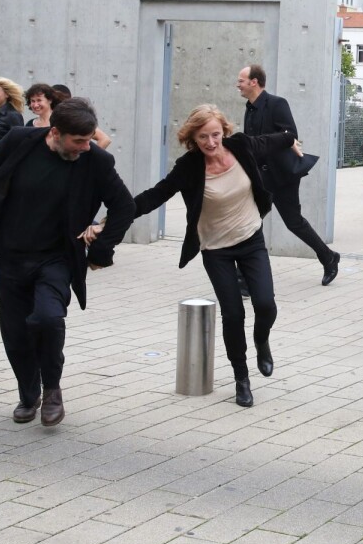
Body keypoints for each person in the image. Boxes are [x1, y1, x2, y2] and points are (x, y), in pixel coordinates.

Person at [0, 98, 135, 427]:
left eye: (89, 140)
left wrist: (102, 252)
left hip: (56, 258)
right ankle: (29, 394)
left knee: (47, 318)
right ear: (55, 132)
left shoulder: (96, 161)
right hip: (11, 256)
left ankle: (52, 390)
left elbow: (124, 206)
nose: (86, 147)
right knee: (15, 333)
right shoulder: (19, 142)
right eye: (79, 141)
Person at [114, 105, 302, 407]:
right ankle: (242, 379)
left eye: (215, 135)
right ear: (193, 138)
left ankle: (261, 340)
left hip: (251, 239)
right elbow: (156, 195)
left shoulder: (240, 146)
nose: (211, 143)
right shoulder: (189, 166)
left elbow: (277, 138)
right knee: (233, 314)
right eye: (203, 137)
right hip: (216, 250)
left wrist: (290, 138)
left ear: (224, 131)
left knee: (265, 304)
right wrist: (115, 218)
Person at [238, 65, 340, 285]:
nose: (238, 84)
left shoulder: (276, 103)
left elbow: (290, 134)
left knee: (293, 222)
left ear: (254, 82)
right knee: (251, 223)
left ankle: (328, 256)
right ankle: (246, 277)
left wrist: (268, 144)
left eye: (241, 80)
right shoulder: (250, 108)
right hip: (258, 177)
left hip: (281, 176)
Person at [26, 83, 112, 149]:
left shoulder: (65, 120)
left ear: (50, 100)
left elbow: (104, 139)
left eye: (39, 100)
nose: (35, 105)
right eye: (32, 101)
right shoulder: (30, 124)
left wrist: (89, 161)